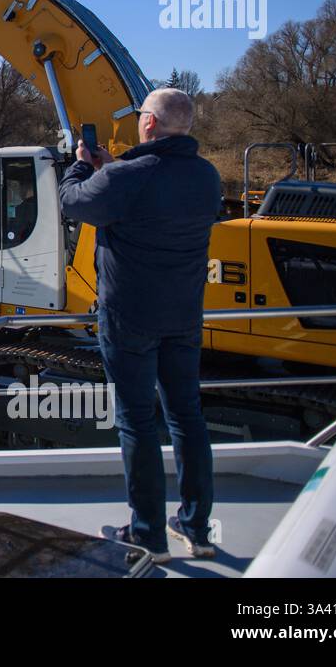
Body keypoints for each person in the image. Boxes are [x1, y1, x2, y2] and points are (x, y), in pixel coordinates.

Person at [58, 88, 222, 563]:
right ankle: (197, 528)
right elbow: (157, 202)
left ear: (148, 124)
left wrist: (84, 164)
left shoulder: (129, 176)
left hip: (129, 318)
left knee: (137, 421)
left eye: (140, 116)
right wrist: (113, 170)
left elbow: (73, 203)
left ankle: (148, 535)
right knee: (187, 417)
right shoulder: (206, 177)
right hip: (184, 317)